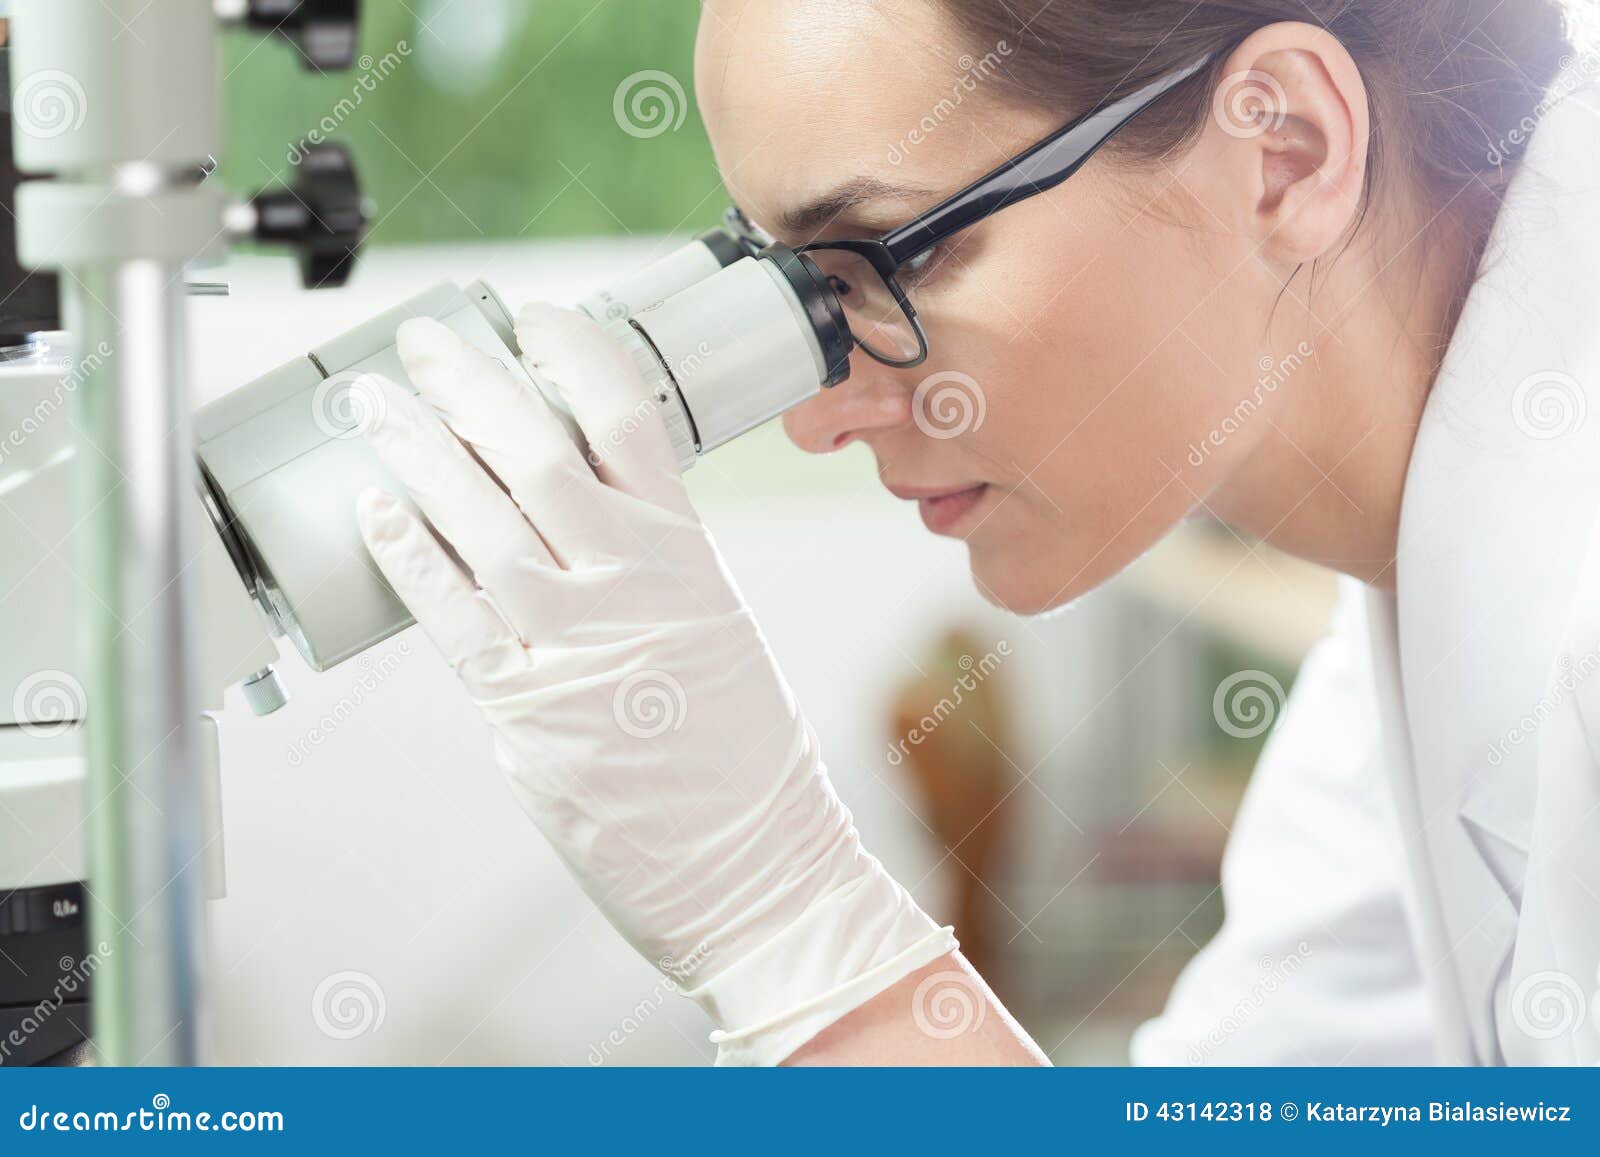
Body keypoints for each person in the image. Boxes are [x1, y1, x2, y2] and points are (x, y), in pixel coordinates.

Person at [353, 0, 1599, 1065]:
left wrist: (792, 931)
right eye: (786, 283)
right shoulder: (1415, 606)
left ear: (1286, 149)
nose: (820, 418)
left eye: (895, 253)